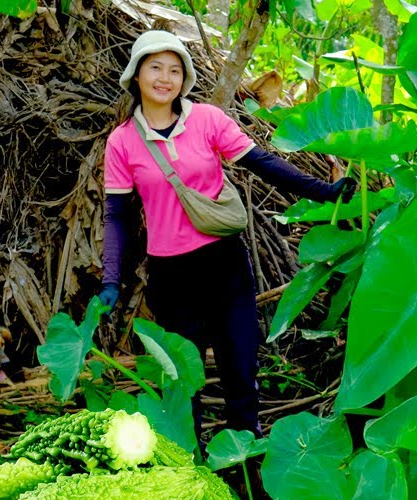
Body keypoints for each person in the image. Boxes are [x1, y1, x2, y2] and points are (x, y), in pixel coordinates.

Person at [98, 30, 357, 443]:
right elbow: (116, 215)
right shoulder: (122, 141)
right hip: (172, 276)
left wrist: (323, 191)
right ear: (137, 75)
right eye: (155, 68)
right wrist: (111, 278)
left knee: (240, 365)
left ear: (184, 79)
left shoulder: (207, 120)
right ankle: (191, 461)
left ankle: (245, 452)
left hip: (224, 265)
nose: (165, 78)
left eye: (174, 70)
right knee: (183, 379)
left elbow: (263, 164)